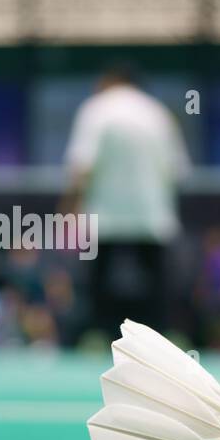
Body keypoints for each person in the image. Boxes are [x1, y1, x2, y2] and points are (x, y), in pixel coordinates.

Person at [61, 63, 190, 340]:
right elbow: (177, 170)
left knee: (98, 278)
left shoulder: (96, 109)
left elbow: (81, 166)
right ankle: (163, 337)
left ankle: (97, 335)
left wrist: (68, 209)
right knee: (157, 281)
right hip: (151, 215)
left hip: (105, 216)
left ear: (110, 81)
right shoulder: (158, 113)